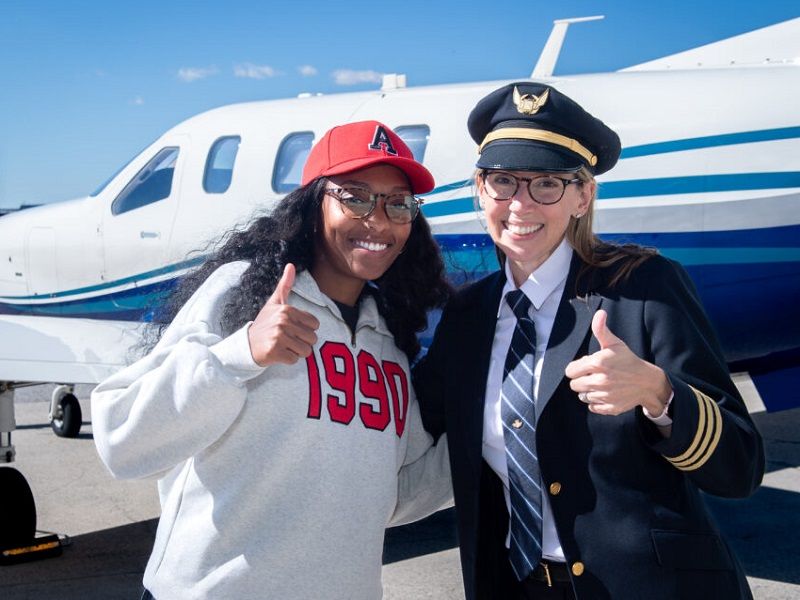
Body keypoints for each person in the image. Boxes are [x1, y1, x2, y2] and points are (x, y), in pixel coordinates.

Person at [413, 82, 765, 600]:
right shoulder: (468, 316)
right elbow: (408, 418)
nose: (520, 204)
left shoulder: (645, 289)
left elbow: (740, 466)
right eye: (503, 181)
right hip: (518, 586)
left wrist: (660, 395)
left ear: (583, 196)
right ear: (479, 191)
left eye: (547, 185)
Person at [91, 120, 453, 600]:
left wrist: (491, 437)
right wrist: (238, 355)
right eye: (356, 197)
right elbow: (123, 442)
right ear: (312, 204)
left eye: (398, 203)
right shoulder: (243, 295)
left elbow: (393, 492)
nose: (379, 220)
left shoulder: (387, 340)